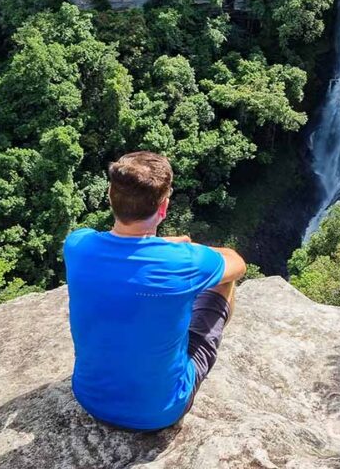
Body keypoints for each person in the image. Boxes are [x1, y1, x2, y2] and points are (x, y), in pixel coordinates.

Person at [62, 151, 247, 431]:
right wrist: (188, 248)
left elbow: (125, 258)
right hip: (161, 412)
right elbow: (237, 263)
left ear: (110, 196)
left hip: (90, 399)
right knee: (223, 280)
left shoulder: (77, 245)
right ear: (164, 207)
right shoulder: (185, 262)